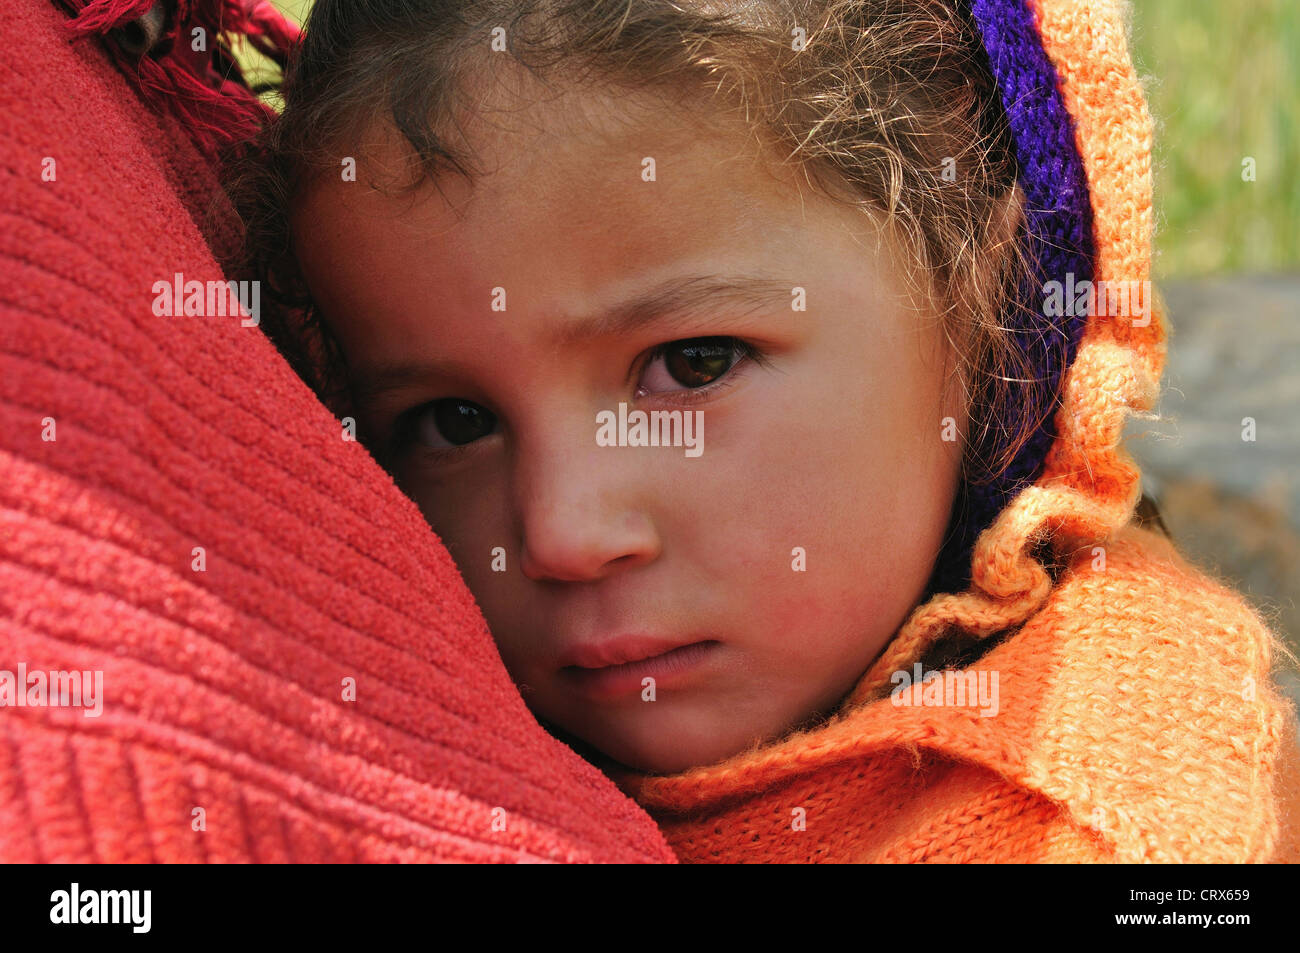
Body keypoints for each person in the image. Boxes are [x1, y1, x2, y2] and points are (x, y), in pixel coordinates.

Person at [228, 0, 1300, 862]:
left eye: (691, 365)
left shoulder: (1109, 810)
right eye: (451, 422)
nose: (561, 531)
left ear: (987, 298)